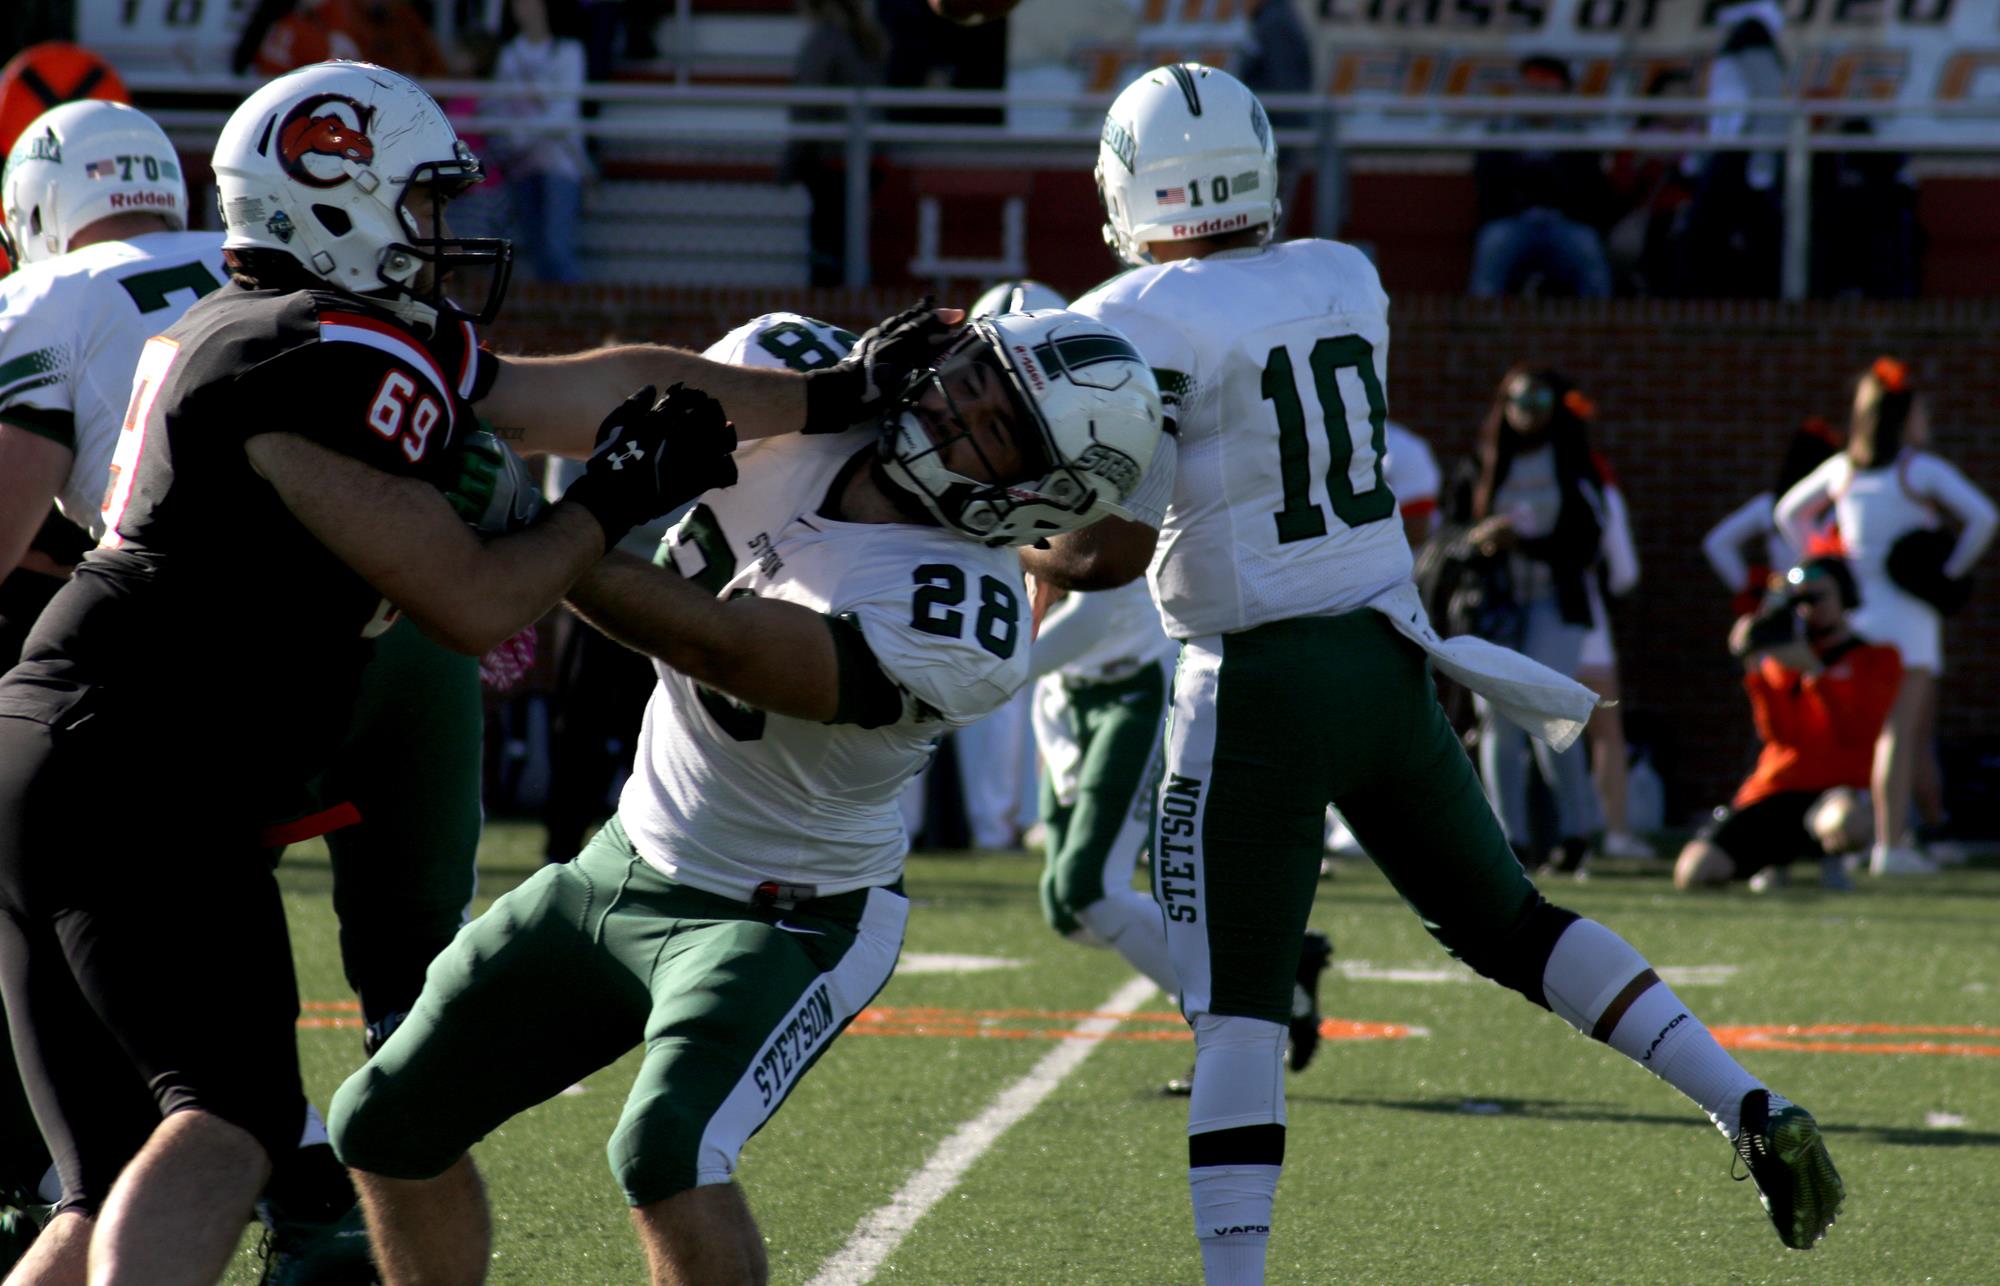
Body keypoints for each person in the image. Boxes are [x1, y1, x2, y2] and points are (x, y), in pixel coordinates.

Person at [0, 61, 949, 1284]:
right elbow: (472, 599)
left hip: (70, 736)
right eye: (423, 198)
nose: (445, 228)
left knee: (103, 1177)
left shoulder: (267, 329)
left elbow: (597, 385)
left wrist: (831, 395)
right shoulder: (314, 351)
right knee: (224, 1129)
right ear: (332, 199)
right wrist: (609, 499)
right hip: (141, 758)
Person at [1046, 63, 1843, 1283]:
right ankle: (1738, 1097)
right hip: (1384, 661)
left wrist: (1024, 526)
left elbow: (1106, 547)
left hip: (1250, 687)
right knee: (1513, 921)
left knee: (1238, 1013)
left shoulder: (1137, 313)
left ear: (1126, 187)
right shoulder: (1344, 274)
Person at [326, 307, 1164, 1283]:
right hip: (624, 856)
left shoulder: (962, 614)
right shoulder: (804, 381)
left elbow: (718, 644)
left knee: (666, 1149)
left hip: (785, 915)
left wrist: (530, 525)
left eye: (992, 422)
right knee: (383, 1121)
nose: (946, 406)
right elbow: (583, 398)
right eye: (966, 374)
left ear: (1036, 492)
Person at [970, 280, 1334, 1086]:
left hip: (1130, 686)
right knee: (1067, 909)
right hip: (1070, 696)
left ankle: (1252, 1009)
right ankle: (1274, 967)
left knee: (1091, 889)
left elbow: (1101, 601)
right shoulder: (1013, 455)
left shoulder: (1111, 438)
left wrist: (997, 669)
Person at [1776, 358, 1997, 876]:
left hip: (1858, 618)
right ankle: (1888, 843)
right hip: (1910, 621)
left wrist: (1824, 563)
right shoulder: (1920, 470)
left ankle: (1857, 839)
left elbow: (1788, 513)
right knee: (1899, 735)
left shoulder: (1842, 471)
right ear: (1904, 417)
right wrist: (1950, 568)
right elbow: (1985, 518)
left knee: (1859, 735)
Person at [1676, 556, 1898, 891]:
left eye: (1818, 597)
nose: (1809, 609)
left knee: (1846, 821)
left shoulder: (1877, 658)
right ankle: (1771, 859)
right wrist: (1753, 668)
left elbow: (1856, 731)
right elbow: (1777, 734)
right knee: (1694, 873)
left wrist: (1817, 675)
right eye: (1801, 601)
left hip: (1834, 793)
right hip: (1778, 789)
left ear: (1846, 596)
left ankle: (1830, 860)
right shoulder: (1784, 658)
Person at [1466, 367, 1608, 874]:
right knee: (1498, 720)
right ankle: (1511, 840)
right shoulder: (1486, 463)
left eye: (1540, 398)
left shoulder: (1572, 463)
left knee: (1550, 714)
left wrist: (1524, 543)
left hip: (1554, 603)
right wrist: (1485, 540)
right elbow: (1457, 534)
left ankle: (1575, 835)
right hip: (1499, 608)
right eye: (1518, 399)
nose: (1528, 409)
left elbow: (1589, 541)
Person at [1468, 55, 1612, 299]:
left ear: (1561, 94)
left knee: (1590, 255)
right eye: (1530, 89)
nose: (1536, 98)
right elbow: (1488, 184)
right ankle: (1481, 332)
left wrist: (1550, 184)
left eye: (1544, 91)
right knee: (1492, 248)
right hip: (1513, 220)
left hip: (1564, 222)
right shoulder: (1499, 131)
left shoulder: (1578, 134)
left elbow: (1590, 188)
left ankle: (1601, 334)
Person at [1577, 445, 1650, 859]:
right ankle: (1615, 832)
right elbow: (1625, 572)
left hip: (1512, 623)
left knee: (1521, 733)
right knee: (1606, 732)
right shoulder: (1596, 486)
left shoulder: (1501, 469)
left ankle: (1541, 834)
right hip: (1585, 622)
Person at [1703, 416, 1843, 617]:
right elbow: (1717, 543)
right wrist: (1753, 588)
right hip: (1784, 606)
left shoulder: (1841, 508)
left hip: (1831, 607)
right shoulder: (1771, 506)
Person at [494, 0, 590, 283]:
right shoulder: (510, 53)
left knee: (556, 247)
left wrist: (522, 136)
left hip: (560, 162)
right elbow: (501, 104)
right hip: (522, 164)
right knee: (536, 250)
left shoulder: (569, 51)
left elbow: (565, 110)